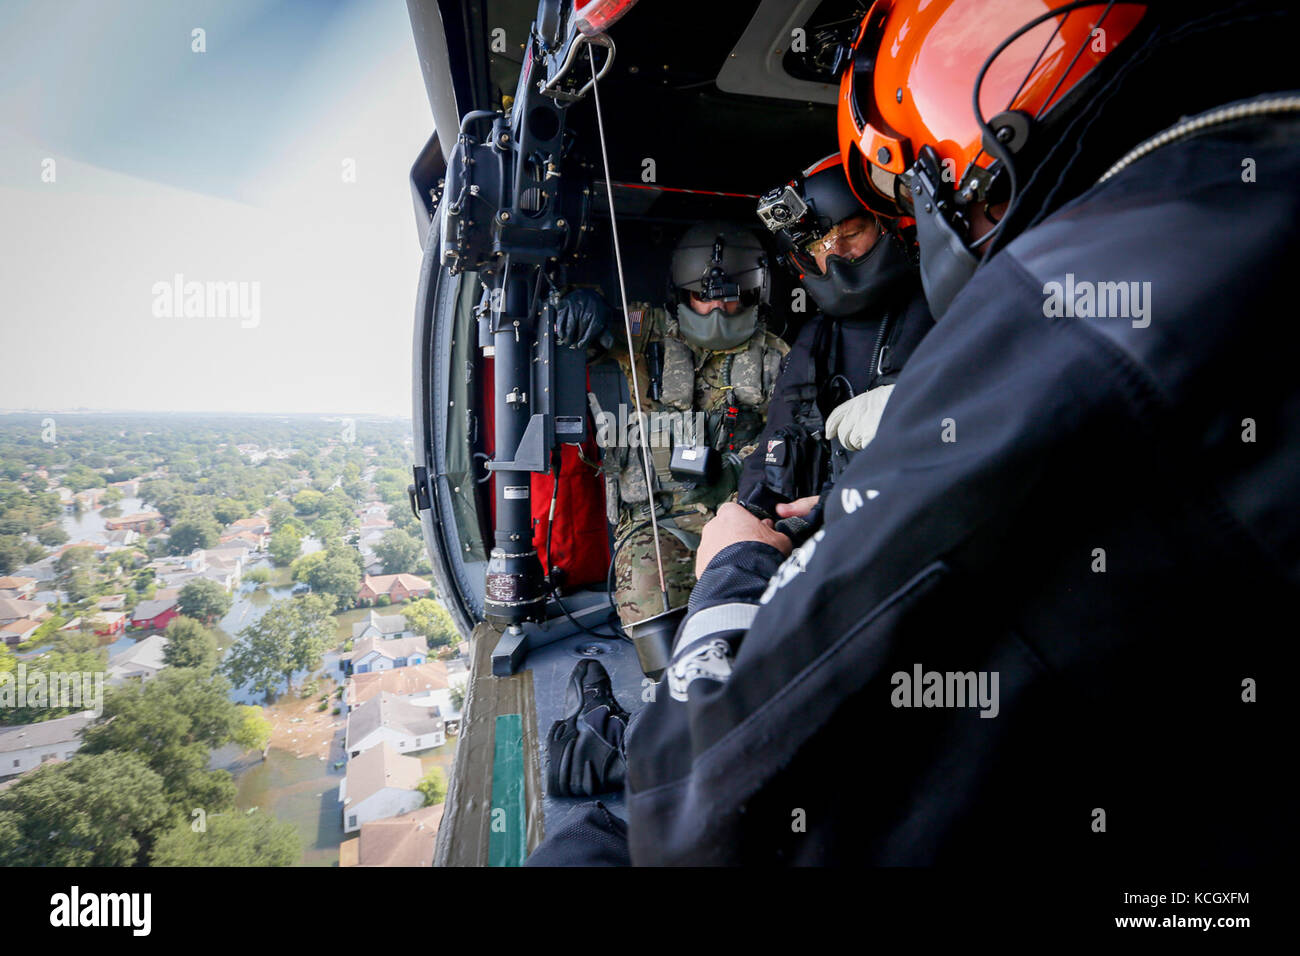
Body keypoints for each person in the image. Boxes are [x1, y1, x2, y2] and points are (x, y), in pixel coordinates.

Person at [617, 0, 1297, 865]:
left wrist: (734, 578)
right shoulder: (1234, 205)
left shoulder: (1056, 318)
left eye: (897, 201)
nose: (837, 253)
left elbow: (705, 811)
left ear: (974, 160)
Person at [556, 222, 789, 633]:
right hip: (657, 518)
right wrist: (582, 305)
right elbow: (594, 332)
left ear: (753, 294)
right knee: (651, 614)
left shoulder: (775, 355)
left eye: (730, 298)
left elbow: (787, 440)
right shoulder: (647, 331)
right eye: (703, 297)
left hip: (742, 514)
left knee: (761, 622)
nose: (717, 310)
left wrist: (737, 472)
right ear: (682, 293)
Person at [739, 155, 933, 523]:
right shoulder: (814, 340)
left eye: (851, 233)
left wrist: (921, 405)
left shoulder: (948, 305)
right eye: (819, 246)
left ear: (889, 224)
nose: (837, 255)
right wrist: (748, 518)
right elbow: (775, 441)